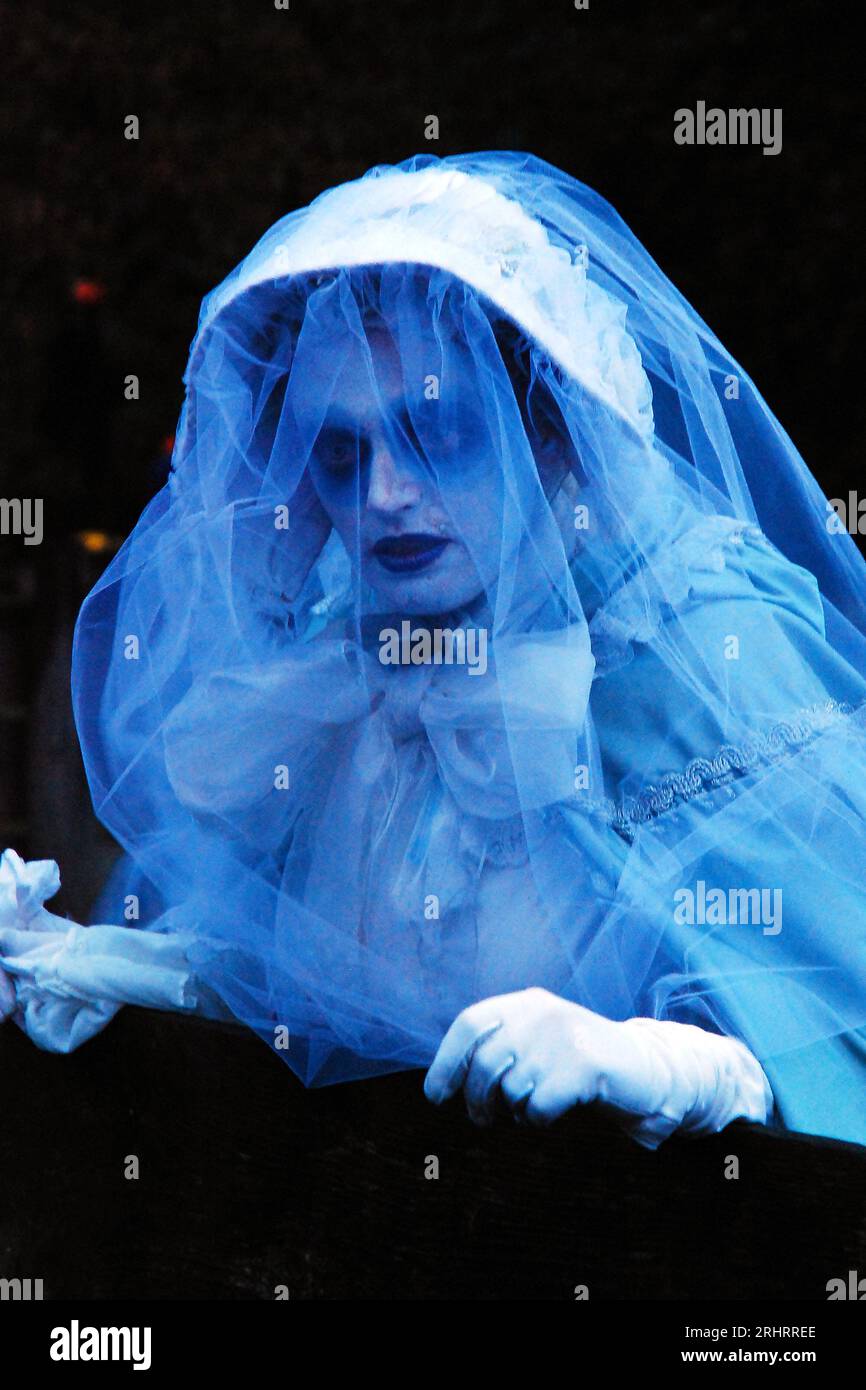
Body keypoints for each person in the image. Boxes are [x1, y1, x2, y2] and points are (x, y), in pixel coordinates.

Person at [3, 152, 866, 1150]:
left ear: (552, 431)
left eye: (441, 431)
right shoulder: (334, 696)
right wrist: (70, 966)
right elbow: (302, 1010)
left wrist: (684, 1067)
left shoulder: (688, 639)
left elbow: (832, 1002)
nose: (380, 495)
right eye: (337, 450)